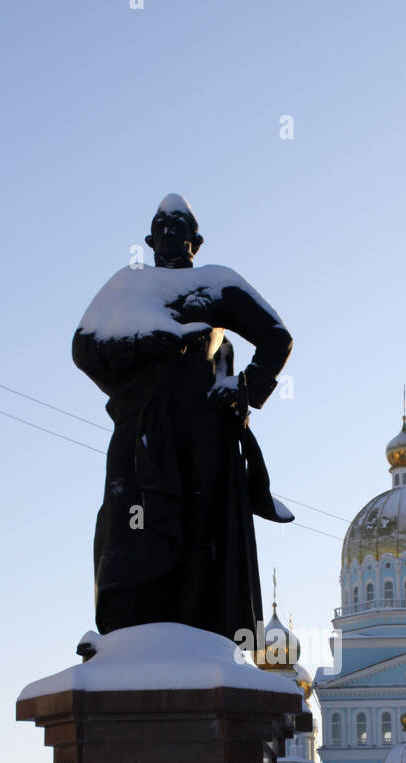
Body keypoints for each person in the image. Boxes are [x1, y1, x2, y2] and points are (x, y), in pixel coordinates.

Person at [72, 194, 293, 641]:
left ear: (197, 240)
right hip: (142, 432)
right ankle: (129, 632)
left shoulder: (217, 283)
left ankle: (198, 634)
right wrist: (143, 344)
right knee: (130, 522)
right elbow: (84, 347)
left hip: (202, 434)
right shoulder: (128, 285)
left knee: (200, 532)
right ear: (150, 239)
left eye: (179, 225)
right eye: (162, 226)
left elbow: (276, 336)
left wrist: (245, 386)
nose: (170, 232)